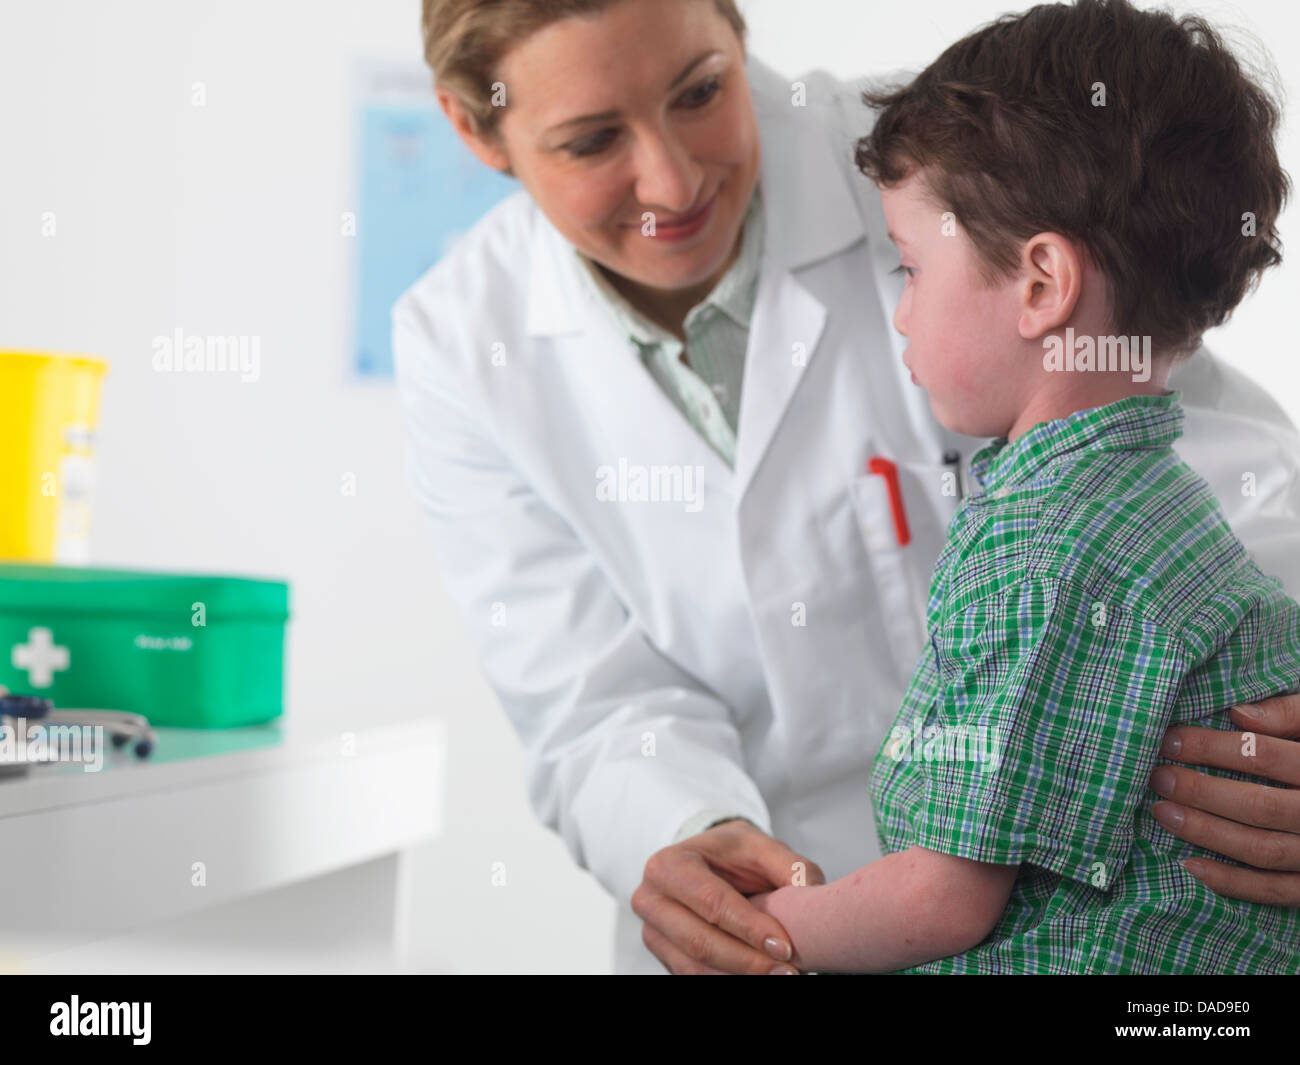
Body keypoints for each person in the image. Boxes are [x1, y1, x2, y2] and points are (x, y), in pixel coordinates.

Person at [393, 0, 1300, 974]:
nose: (672, 175)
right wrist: (689, 838)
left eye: (700, 91)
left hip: (1089, 905)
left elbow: (1212, 476)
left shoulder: (966, 160)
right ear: (471, 124)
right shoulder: (461, 342)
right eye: (590, 139)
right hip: (780, 896)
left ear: (738, 34)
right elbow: (593, 700)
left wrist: (1271, 706)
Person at [744, 0, 1300, 974]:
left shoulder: (1035, 540)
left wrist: (744, 940)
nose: (901, 312)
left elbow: (938, 899)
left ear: (1041, 283)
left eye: (911, 267)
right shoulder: (1161, 506)